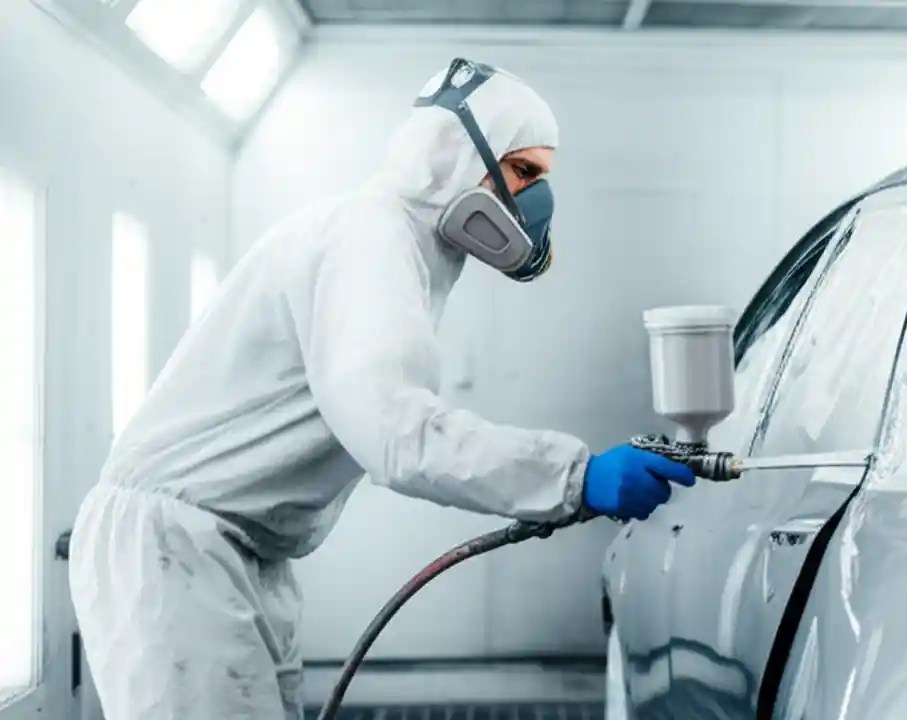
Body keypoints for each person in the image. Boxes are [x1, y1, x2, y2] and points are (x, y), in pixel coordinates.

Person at [68, 58, 695, 720]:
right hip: (175, 546)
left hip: (233, 549)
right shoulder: (370, 237)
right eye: (525, 172)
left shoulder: (404, 249)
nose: (538, 200)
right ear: (457, 156)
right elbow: (399, 435)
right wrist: (576, 476)